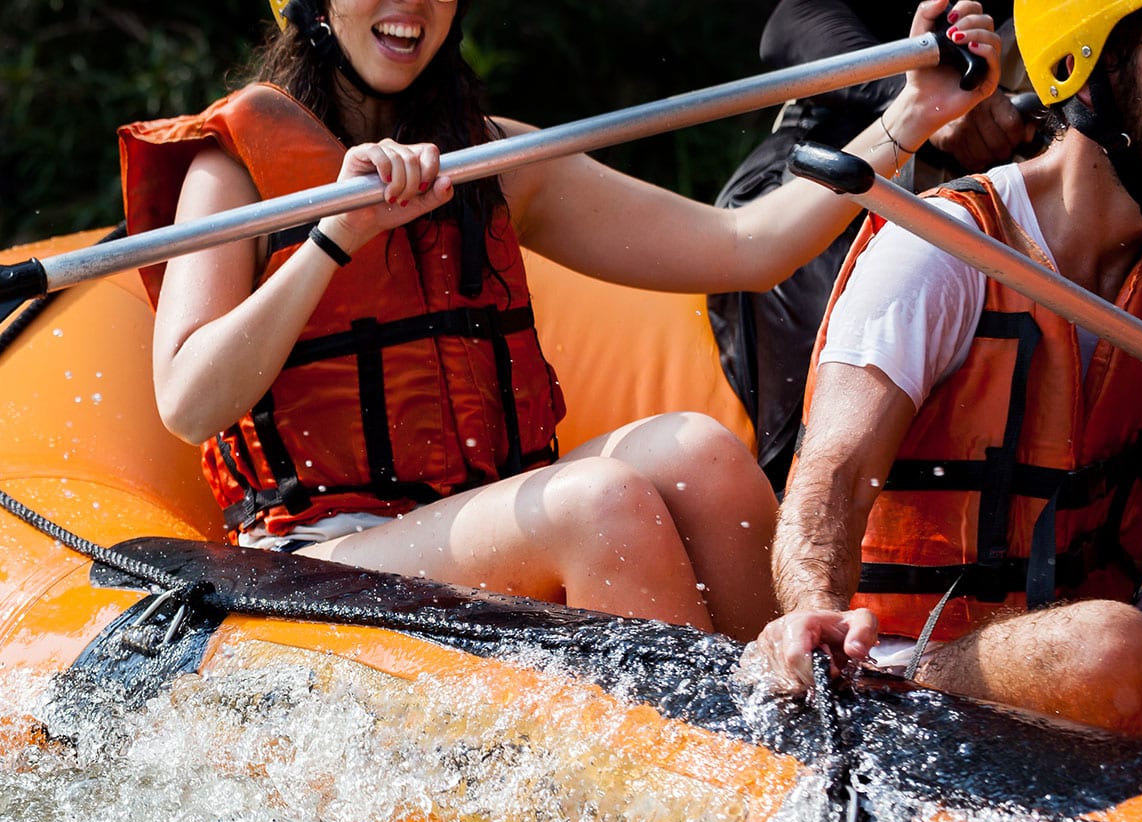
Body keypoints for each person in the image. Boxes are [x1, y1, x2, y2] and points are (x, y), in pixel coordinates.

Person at [118, 0, 1001, 640]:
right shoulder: (230, 175)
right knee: (598, 503)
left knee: (703, 456)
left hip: (474, 514)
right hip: (318, 553)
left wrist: (909, 118)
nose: (409, 7)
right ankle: (701, 774)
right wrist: (335, 237)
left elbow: (746, 247)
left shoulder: (495, 158)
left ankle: (794, 719)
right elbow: (190, 401)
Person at [746, 0, 1142, 733]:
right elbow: (831, 476)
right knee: (1108, 646)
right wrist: (814, 609)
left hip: (1093, 700)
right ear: (1085, 75)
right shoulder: (941, 248)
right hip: (901, 682)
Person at [712, 0, 1029, 488]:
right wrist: (915, 101)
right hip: (829, 165)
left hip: (1008, 186)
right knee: (846, 339)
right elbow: (792, 21)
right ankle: (793, 491)